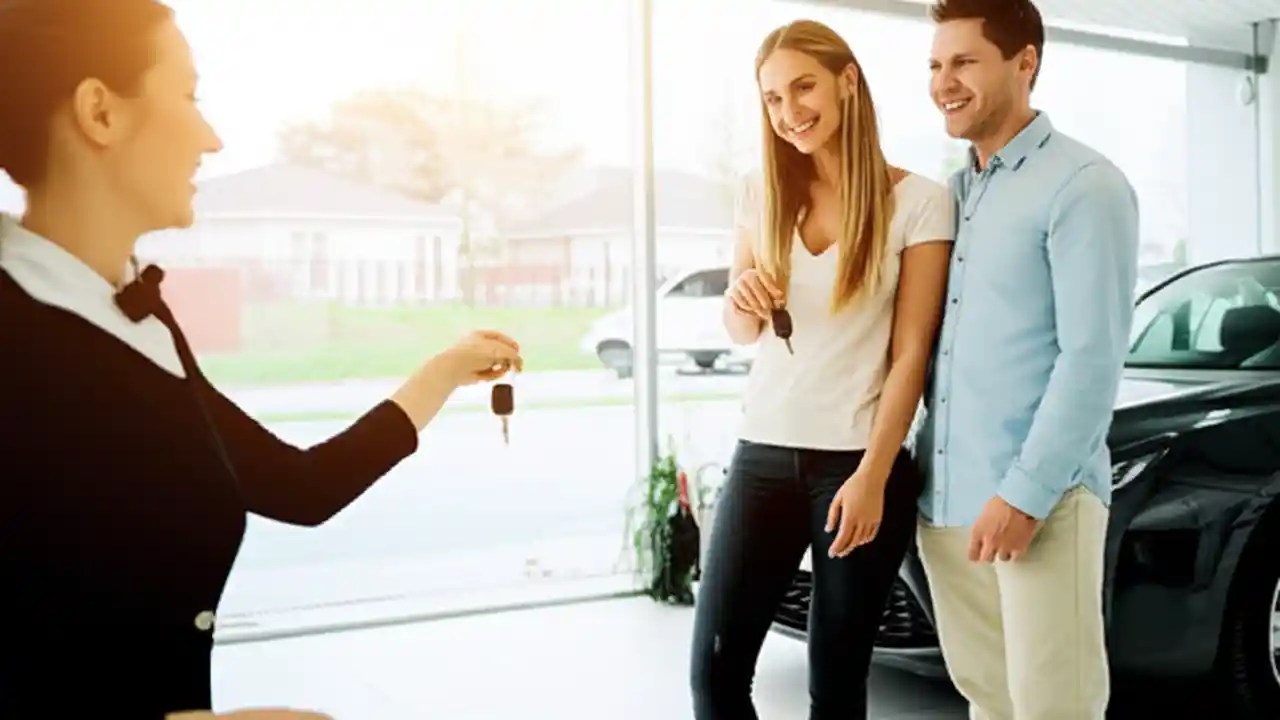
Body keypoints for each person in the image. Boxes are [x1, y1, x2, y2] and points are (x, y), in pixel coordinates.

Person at [0, 1, 523, 718]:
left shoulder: (135, 316)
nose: (210, 138)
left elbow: (298, 487)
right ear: (100, 112)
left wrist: (443, 372)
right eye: (187, 95)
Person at [688, 18, 955, 720]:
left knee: (835, 688)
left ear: (847, 79)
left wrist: (872, 473)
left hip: (860, 466)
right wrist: (738, 297)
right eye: (773, 99)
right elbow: (745, 330)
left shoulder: (920, 202)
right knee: (714, 678)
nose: (789, 111)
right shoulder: (760, 191)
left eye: (802, 86)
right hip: (763, 456)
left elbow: (911, 354)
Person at [915, 1, 1140, 718]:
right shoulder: (955, 195)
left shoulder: (1084, 185)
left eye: (963, 62)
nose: (944, 82)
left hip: (1038, 507)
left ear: (1025, 63)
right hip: (946, 505)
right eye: (935, 65)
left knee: (1055, 709)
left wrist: (1024, 494)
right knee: (989, 702)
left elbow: (1092, 358)